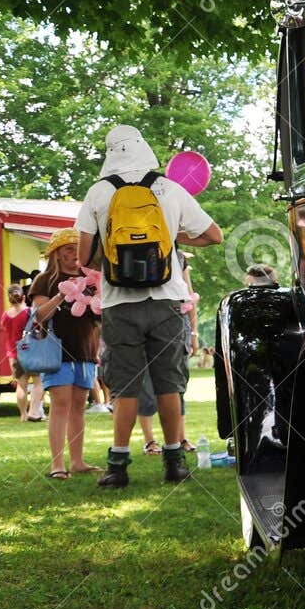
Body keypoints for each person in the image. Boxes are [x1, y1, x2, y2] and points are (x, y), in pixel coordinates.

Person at [76, 125, 221, 487]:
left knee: (125, 387)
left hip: (119, 305)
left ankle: (117, 467)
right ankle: (174, 462)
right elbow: (214, 235)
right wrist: (172, 240)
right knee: (169, 384)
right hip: (168, 301)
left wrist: (113, 266)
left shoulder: (98, 193)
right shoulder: (169, 189)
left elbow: (83, 256)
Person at [28, 230, 102, 478]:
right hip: (55, 352)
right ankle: (57, 464)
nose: (73, 254)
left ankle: (77, 461)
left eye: (76, 248)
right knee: (60, 404)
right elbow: (39, 316)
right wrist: (62, 294)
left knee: (79, 406)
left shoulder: (91, 280)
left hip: (86, 351)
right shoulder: (45, 279)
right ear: (57, 254)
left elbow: (98, 319)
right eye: (68, 249)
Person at [0, 284, 44, 422]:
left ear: (10, 299)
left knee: (21, 385)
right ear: (24, 297)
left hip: (13, 355)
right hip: (32, 352)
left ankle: (23, 415)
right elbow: (40, 328)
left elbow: (5, 329)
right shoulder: (30, 312)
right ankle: (34, 411)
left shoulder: (5, 315)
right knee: (38, 382)